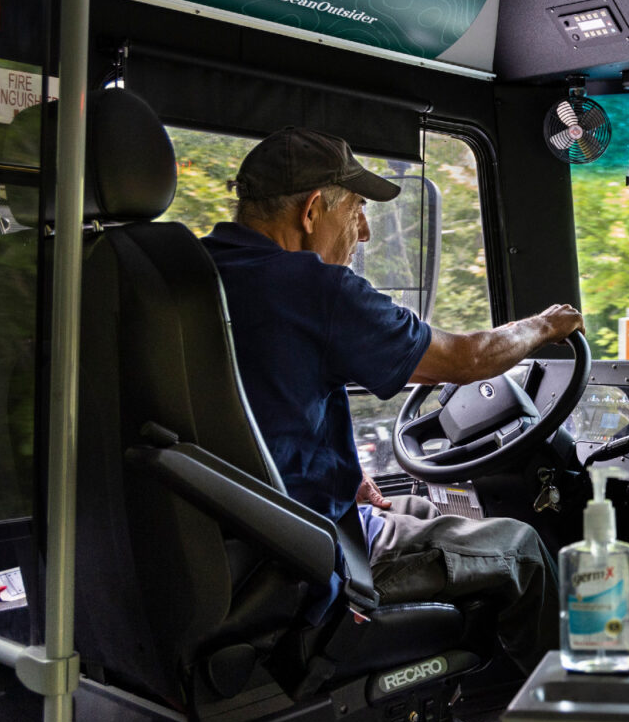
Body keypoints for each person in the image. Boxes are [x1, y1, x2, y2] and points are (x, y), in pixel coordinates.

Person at [202, 126, 583, 677]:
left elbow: (251, 405)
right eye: (357, 209)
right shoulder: (314, 289)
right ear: (312, 211)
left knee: (425, 511)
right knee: (519, 546)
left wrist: (341, 473)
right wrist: (545, 325)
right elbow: (467, 360)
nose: (365, 232)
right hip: (305, 560)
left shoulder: (192, 274)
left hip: (232, 543)